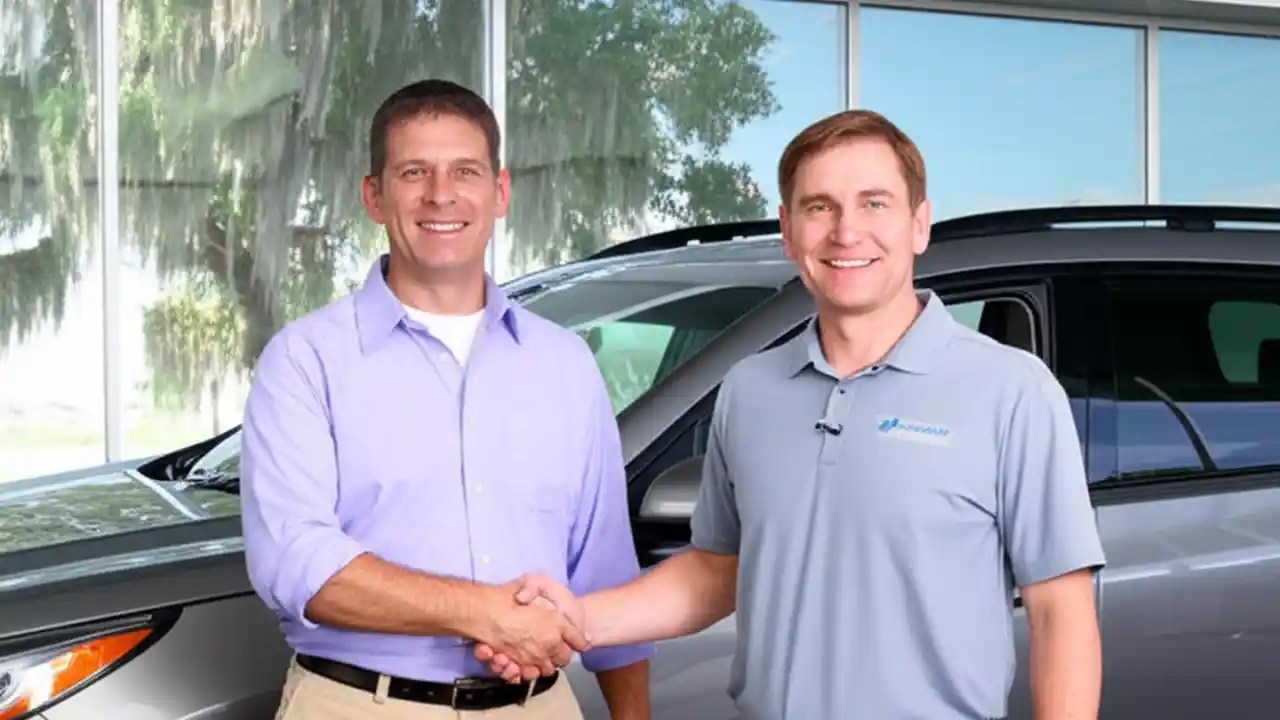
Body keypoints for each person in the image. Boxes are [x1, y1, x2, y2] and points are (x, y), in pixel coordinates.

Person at [478, 109, 1107, 719]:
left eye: (875, 203)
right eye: (819, 206)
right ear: (788, 229)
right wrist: (574, 619)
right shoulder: (751, 389)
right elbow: (716, 571)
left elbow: (1061, 611)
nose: (845, 231)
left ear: (920, 224)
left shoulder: (1010, 391)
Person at [239, 78, 652, 720]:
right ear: (374, 196)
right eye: (414, 172)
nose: (441, 194)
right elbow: (299, 565)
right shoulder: (305, 360)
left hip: (539, 708)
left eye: (465, 170)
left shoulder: (564, 363)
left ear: (500, 191)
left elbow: (603, 566)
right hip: (362, 704)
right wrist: (487, 613)